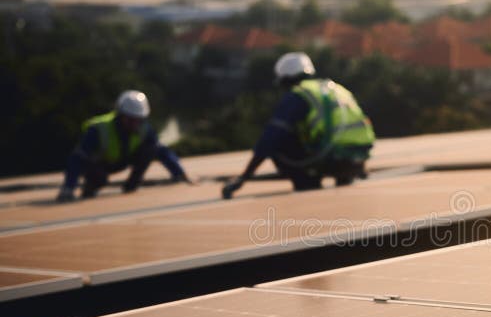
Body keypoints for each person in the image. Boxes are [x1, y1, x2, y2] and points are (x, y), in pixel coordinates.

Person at [222, 52, 375, 199]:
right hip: (359, 156)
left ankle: (307, 181)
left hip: (333, 158)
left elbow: (270, 139)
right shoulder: (335, 88)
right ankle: (345, 176)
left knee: (279, 142)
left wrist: (244, 177)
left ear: (286, 79)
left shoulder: (299, 95)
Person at [56, 90, 192, 202]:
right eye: (130, 120)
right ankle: (90, 186)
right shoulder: (99, 129)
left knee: (151, 149)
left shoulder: (143, 129)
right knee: (99, 178)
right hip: (100, 165)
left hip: (123, 161)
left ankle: (132, 185)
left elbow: (161, 150)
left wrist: (179, 173)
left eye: (138, 120)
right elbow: (78, 157)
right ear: (120, 115)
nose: (134, 124)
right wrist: (69, 187)